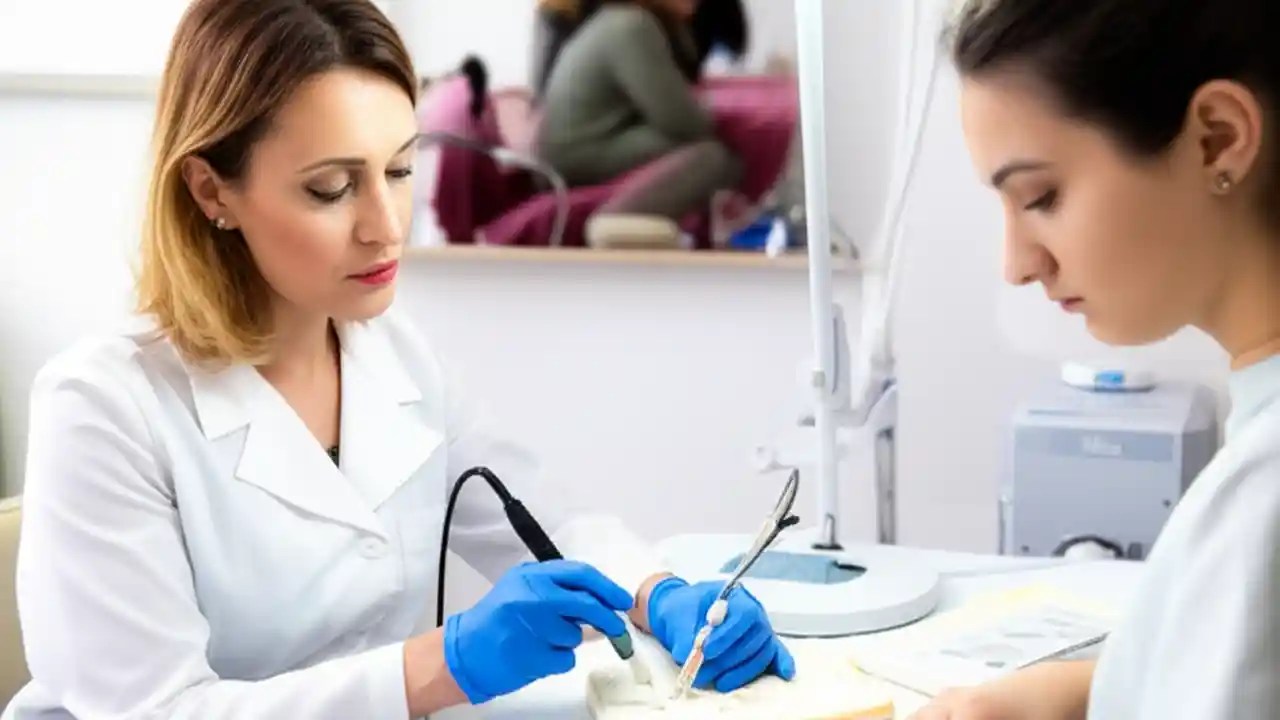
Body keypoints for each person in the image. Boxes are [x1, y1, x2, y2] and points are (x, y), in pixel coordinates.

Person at [2, 1, 794, 717]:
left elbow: (549, 527)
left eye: (400, 169)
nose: (386, 226)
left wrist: (667, 596)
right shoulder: (104, 406)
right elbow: (158, 713)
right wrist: (439, 667)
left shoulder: (394, 356)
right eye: (330, 188)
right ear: (212, 190)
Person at [911, 1, 1280, 718]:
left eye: (1041, 197)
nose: (1016, 265)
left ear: (1216, 139)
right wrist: (1074, 693)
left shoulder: (1264, 494)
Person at [534, 0, 744, 222]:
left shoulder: (622, 19)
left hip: (578, 148)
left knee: (710, 152)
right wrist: (706, 108)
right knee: (713, 156)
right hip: (575, 156)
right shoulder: (632, 26)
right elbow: (684, 123)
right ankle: (613, 225)